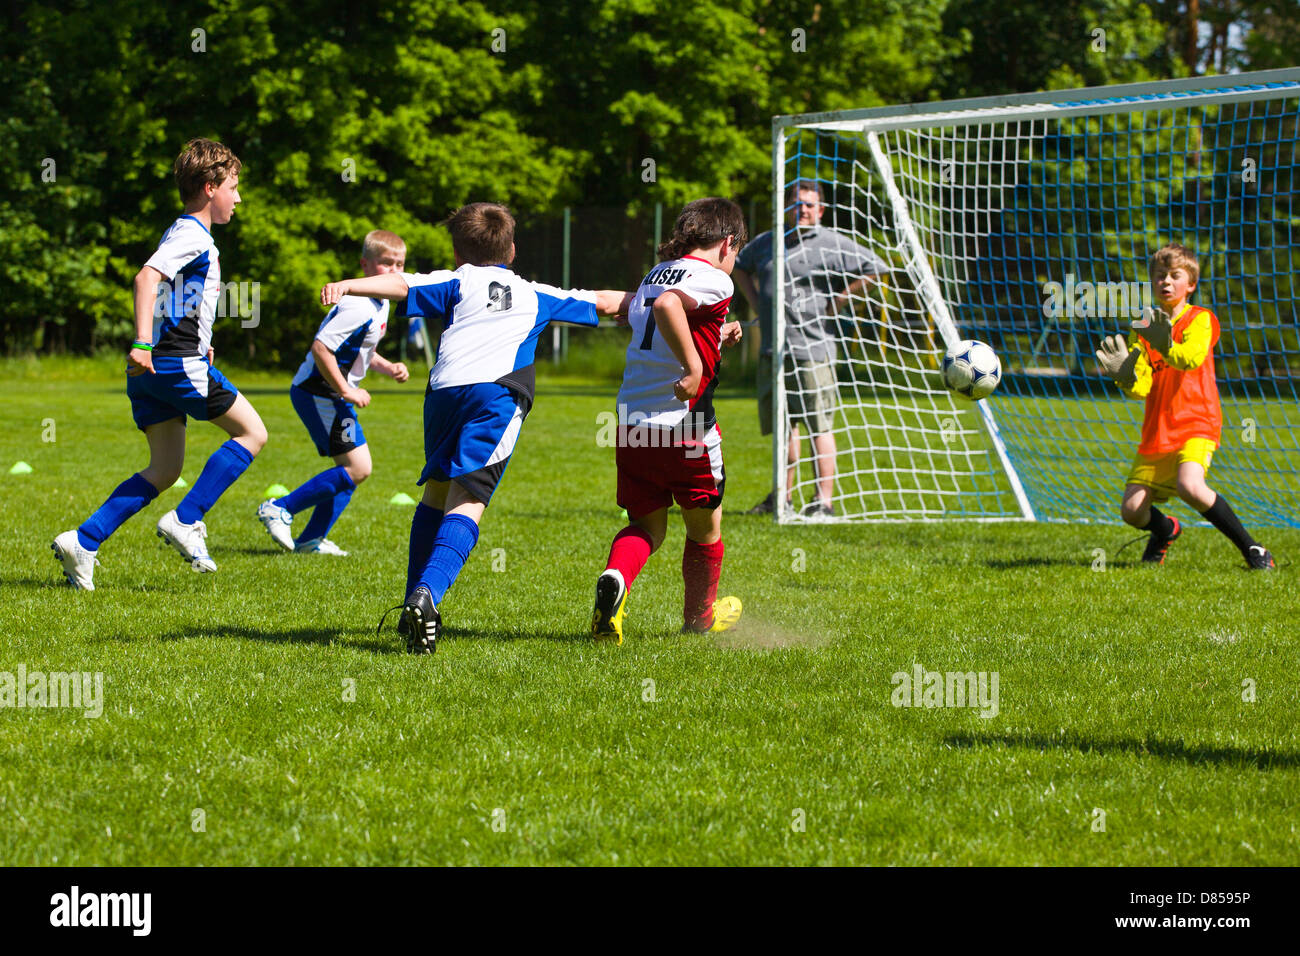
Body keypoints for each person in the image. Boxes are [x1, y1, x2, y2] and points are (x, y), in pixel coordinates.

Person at [319, 202, 629, 653]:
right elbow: (604, 301)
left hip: (443, 393)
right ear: (512, 249)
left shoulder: (455, 279)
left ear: (457, 250)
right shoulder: (534, 292)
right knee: (469, 500)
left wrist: (349, 283)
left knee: (436, 494)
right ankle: (428, 597)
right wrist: (657, 299)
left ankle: (412, 606)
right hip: (496, 396)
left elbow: (401, 284)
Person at [52, 138, 268, 589]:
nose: (238, 197)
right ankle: (187, 520)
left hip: (156, 370)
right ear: (210, 187)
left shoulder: (184, 233)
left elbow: (174, 294)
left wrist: (196, 339)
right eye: (233, 186)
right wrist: (143, 343)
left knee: (166, 468)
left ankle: (84, 540)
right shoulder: (192, 233)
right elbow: (146, 278)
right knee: (253, 433)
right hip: (170, 363)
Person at [591, 198, 747, 644]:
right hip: (688, 428)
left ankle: (616, 578)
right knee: (704, 529)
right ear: (727, 242)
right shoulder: (714, 277)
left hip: (632, 424)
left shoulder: (652, 275)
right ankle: (699, 619)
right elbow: (669, 309)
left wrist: (719, 333)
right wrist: (696, 368)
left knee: (646, 527)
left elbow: (661, 317)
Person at [1095, 243, 1275, 569]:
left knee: (1190, 485)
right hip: (1158, 429)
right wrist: (1125, 377)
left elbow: (1190, 359)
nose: (1166, 281)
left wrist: (1165, 342)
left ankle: (1254, 550)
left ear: (1190, 284)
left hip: (1197, 420)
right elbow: (1143, 387)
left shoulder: (1201, 320)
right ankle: (1165, 531)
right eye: (1160, 275)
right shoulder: (1143, 330)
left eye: (1175, 275)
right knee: (1132, 511)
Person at [734, 179, 885, 517]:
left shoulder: (832, 243)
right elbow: (739, 267)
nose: (802, 210)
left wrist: (842, 300)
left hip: (814, 351)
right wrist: (756, 301)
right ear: (786, 206)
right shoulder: (768, 242)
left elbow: (876, 267)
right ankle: (781, 498)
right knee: (784, 428)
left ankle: (822, 502)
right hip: (774, 352)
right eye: (796, 203)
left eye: (809, 204)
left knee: (819, 426)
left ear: (821, 210)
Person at [257, 230, 411, 556]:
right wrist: (346, 390)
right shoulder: (360, 306)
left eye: (400, 263)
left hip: (332, 393)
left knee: (352, 469)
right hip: (319, 392)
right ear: (365, 264)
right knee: (358, 467)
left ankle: (311, 539)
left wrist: (388, 367)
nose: (395, 270)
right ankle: (280, 507)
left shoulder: (380, 303)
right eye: (386, 263)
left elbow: (359, 353)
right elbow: (321, 348)